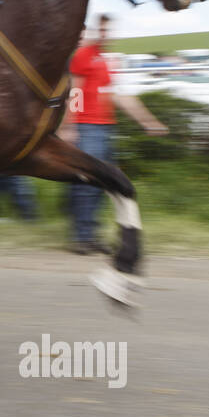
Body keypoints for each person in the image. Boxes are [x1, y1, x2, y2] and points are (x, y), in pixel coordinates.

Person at [59, 14, 168, 255]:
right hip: (87, 127)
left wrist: (147, 121)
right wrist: (69, 125)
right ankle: (82, 237)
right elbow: (74, 92)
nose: (106, 35)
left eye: (110, 31)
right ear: (97, 32)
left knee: (104, 183)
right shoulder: (84, 55)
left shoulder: (105, 60)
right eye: (103, 31)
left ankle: (90, 234)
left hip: (106, 127)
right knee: (88, 182)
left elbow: (117, 96)